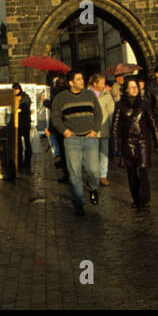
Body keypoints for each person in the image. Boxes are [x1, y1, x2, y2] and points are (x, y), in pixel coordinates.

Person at [50, 69, 103, 216]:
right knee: (74, 173)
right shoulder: (61, 98)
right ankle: (78, 203)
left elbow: (98, 114)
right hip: (72, 139)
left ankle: (92, 188)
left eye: (82, 79)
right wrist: (64, 131)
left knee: (94, 171)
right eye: (79, 79)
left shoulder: (89, 95)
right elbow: (55, 117)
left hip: (89, 137)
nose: (82, 81)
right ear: (71, 82)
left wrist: (95, 130)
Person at [111, 76, 158, 208]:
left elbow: (153, 124)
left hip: (144, 142)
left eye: (136, 87)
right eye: (131, 87)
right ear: (126, 89)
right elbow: (115, 127)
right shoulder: (120, 106)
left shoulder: (144, 104)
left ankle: (145, 198)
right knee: (132, 172)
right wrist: (115, 147)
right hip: (128, 142)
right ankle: (136, 198)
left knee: (143, 170)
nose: (134, 89)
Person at [90, 73, 116, 186]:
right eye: (101, 83)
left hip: (104, 128)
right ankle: (94, 174)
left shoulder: (107, 95)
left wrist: (113, 127)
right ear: (95, 84)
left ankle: (103, 175)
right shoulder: (87, 94)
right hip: (92, 129)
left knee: (104, 153)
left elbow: (111, 112)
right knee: (92, 153)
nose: (104, 85)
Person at [13, 83, 33, 169]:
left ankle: (27, 161)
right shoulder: (16, 97)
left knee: (26, 141)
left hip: (24, 123)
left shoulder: (24, 97)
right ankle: (20, 160)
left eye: (15, 89)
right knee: (19, 142)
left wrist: (19, 108)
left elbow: (25, 107)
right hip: (19, 123)